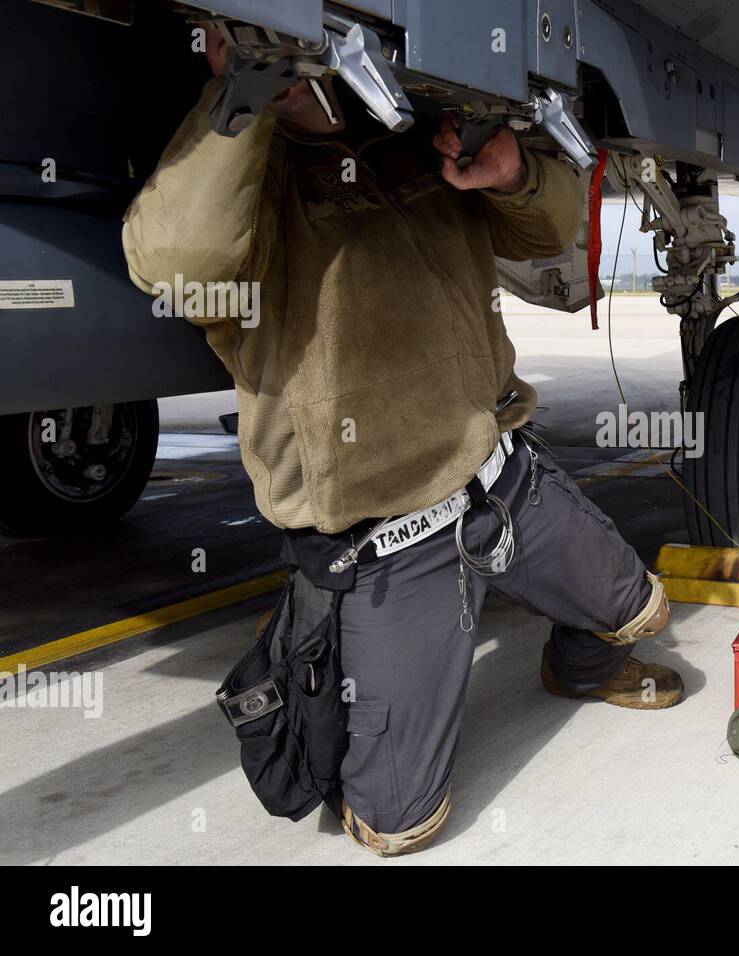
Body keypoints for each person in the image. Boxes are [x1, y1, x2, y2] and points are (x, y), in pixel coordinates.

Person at [123, 25, 677, 855]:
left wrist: (517, 173)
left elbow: (552, 231)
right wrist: (242, 97)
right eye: (245, 39)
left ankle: (578, 666)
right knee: (397, 823)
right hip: (384, 547)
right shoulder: (246, 188)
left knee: (640, 609)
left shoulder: (416, 137)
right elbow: (174, 265)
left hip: (501, 482)